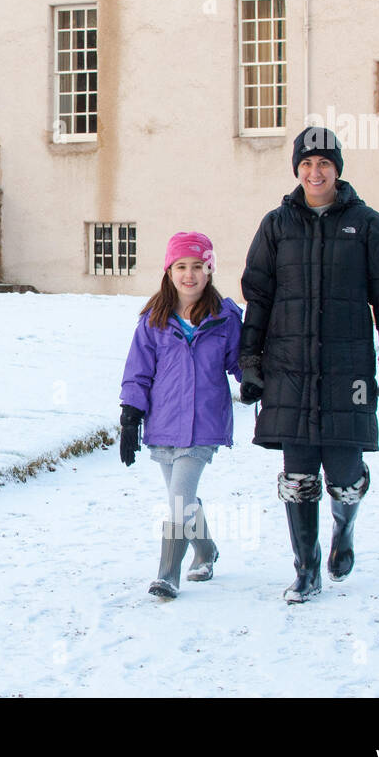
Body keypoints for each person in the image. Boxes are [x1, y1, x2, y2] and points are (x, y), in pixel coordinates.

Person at [238, 126, 379, 603]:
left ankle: (344, 531)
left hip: (347, 367)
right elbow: (259, 296)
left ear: (337, 170)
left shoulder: (369, 225)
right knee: (298, 474)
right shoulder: (276, 225)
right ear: (297, 169)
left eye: (324, 164)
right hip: (288, 366)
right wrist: (251, 359)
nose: (315, 172)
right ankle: (306, 570)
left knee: (345, 473)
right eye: (307, 164)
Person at [119, 232, 244, 599]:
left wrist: (254, 379)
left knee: (178, 499)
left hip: (204, 423)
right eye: (181, 267)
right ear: (169, 271)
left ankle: (167, 574)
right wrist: (130, 416)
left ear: (209, 271)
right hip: (163, 424)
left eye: (197, 267)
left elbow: (240, 362)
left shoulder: (225, 319)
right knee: (182, 498)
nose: (189, 275)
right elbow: (137, 373)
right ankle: (206, 551)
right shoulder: (153, 321)